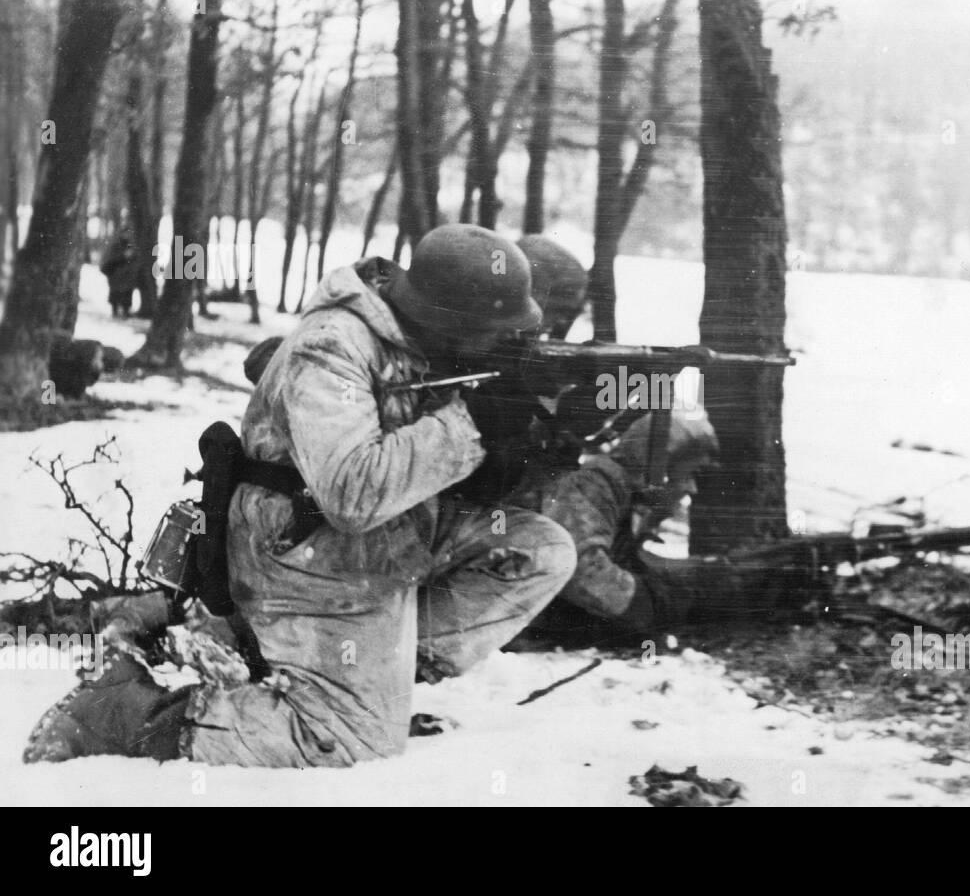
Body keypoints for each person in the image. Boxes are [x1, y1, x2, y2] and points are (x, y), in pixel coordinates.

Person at [24, 224, 577, 767]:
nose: (505, 343)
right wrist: (471, 424)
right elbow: (351, 493)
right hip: (301, 542)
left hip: (390, 533)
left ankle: (313, 659)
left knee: (536, 551)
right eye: (493, 332)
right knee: (349, 741)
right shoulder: (332, 347)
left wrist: (531, 446)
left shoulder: (425, 345)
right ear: (447, 318)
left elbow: (426, 457)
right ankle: (122, 713)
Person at [517, 409, 794, 634]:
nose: (692, 489)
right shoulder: (591, 487)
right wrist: (657, 605)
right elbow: (582, 573)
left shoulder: (622, 497)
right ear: (659, 469)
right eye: (689, 474)